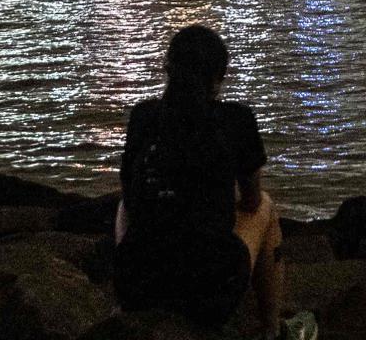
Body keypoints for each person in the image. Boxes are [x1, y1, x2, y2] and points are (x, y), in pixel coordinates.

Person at [114, 25, 313, 339]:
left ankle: (127, 308)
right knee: (267, 209)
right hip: (211, 289)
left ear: (168, 69)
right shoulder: (236, 119)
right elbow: (252, 201)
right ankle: (272, 330)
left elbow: (131, 191)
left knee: (126, 203)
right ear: (219, 77)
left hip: (137, 285)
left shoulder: (143, 116)